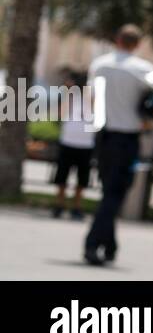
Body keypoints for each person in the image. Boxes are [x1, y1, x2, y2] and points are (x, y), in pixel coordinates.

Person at [83, 25, 153, 266]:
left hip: (104, 137)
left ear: (117, 40)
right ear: (137, 44)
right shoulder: (141, 68)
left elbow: (92, 98)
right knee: (115, 194)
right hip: (127, 140)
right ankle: (92, 245)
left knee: (108, 192)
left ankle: (110, 245)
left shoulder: (100, 64)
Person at [52, 69, 95, 220]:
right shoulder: (69, 96)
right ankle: (59, 204)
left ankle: (77, 206)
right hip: (68, 141)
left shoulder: (93, 97)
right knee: (62, 176)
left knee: (82, 179)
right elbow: (59, 114)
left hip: (86, 144)